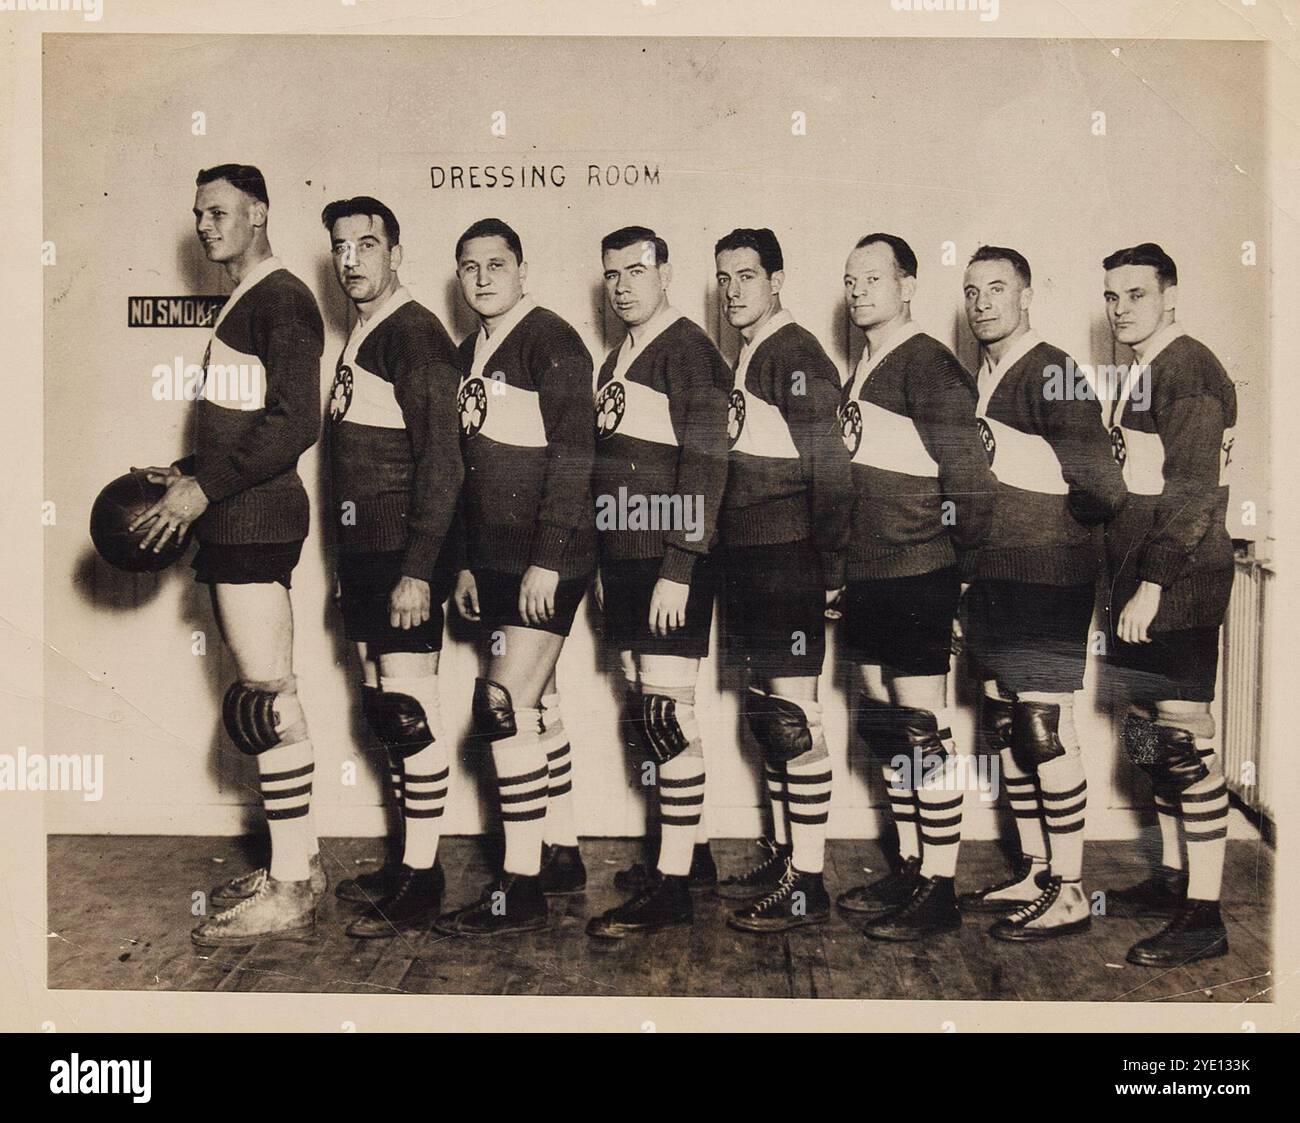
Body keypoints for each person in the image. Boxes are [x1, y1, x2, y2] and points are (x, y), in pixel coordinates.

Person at [133, 164, 325, 946]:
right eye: (199, 214)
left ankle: (290, 887)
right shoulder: (250, 300)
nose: (206, 226)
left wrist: (202, 489)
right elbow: (247, 424)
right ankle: (298, 863)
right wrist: (187, 475)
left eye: (219, 212)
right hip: (235, 516)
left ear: (259, 213)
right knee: (265, 695)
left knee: (266, 697)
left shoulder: (282, 298)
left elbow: (293, 422)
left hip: (254, 522)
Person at [957, 245, 1127, 942]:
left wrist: (1047, 527)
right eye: (972, 291)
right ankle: (1034, 868)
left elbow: (1104, 489)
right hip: (996, 575)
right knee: (1007, 725)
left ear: (1026, 295)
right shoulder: (983, 376)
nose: (983, 302)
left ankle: (1071, 888)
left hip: (1048, 575)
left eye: (997, 288)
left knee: (1042, 727)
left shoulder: (1052, 368)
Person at [434, 219, 596, 937]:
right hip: (494, 556)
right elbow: (466, 470)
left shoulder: (551, 339)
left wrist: (549, 557)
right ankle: (559, 850)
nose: (482, 277)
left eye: (497, 264)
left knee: (501, 703)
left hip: (546, 555)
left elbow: (576, 456)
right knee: (537, 704)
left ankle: (520, 884)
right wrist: (466, 556)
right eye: (468, 266)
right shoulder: (471, 349)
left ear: (523, 271)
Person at [833, 234, 997, 941]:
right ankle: (907, 862)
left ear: (907, 285)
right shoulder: (864, 366)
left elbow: (972, 488)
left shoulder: (928, 364)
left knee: (924, 729)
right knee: (885, 722)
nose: (860, 289)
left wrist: (953, 573)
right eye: (851, 278)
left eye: (874, 277)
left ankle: (941, 885)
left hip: (917, 575)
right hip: (870, 578)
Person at [318, 196, 464, 938]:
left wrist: (418, 570)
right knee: (385, 707)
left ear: (396, 252)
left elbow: (443, 464)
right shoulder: (364, 330)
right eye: (341, 247)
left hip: (402, 557)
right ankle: (408, 859)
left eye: (367, 244)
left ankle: (426, 875)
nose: (352, 259)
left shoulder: (416, 335)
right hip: (366, 556)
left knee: (410, 712)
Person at [583, 226, 731, 940]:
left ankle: (673, 888)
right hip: (628, 559)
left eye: (636, 270)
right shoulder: (619, 355)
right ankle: (689, 855)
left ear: (665, 272)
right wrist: (613, 568)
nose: (622, 285)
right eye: (611, 274)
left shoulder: (689, 350)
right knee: (648, 707)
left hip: (671, 559)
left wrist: (679, 565)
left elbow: (706, 467)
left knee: (667, 715)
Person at [711, 228, 853, 934]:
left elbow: (830, 467)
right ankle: (785, 856)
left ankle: (810, 881)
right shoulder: (753, 353)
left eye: (747, 276)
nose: (734, 289)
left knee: (795, 719)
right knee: (770, 716)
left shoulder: (794, 353)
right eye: (724, 278)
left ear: (777, 280)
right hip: (752, 558)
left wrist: (829, 566)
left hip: (789, 556)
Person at [1099, 242, 1236, 967]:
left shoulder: (1189, 368)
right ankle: (1176, 878)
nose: (1122, 309)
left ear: (1170, 296)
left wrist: (1152, 585)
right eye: (1113, 296)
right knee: (1149, 736)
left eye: (1138, 294)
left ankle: (1206, 915)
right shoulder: (1147, 366)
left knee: (1182, 743)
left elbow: (1191, 496)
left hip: (1180, 581)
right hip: (1144, 580)